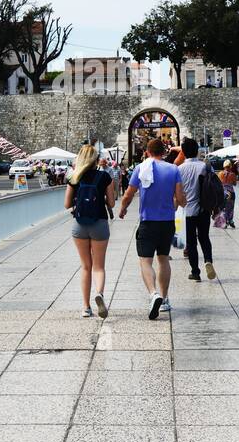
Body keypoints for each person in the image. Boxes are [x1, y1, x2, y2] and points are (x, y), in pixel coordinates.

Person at [118, 136, 186, 319]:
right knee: (163, 260)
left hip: (147, 222)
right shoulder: (173, 170)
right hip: (167, 223)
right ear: (164, 152)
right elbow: (181, 200)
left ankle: (153, 293)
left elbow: (128, 194)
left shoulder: (141, 168)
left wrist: (123, 209)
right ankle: (164, 299)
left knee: (145, 261)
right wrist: (174, 204)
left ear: (147, 152)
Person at [66, 144, 115, 318]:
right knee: (99, 266)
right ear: (96, 160)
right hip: (99, 223)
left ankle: (86, 307)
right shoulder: (105, 176)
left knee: (86, 266)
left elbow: (66, 204)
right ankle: (99, 294)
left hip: (79, 225)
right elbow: (111, 203)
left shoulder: (74, 176)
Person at [177, 137, 218, 282]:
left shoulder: (179, 169)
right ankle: (208, 260)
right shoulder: (205, 167)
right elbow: (213, 187)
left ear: (183, 152)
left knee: (191, 242)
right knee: (204, 237)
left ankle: (195, 271)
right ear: (197, 151)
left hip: (187, 211)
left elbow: (177, 192)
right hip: (203, 209)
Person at [218, 158, 238, 228]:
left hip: (223, 193)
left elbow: (218, 183)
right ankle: (230, 220)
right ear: (230, 166)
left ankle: (224, 222)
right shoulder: (233, 174)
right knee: (231, 208)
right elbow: (235, 184)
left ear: (224, 166)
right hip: (231, 193)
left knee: (223, 208)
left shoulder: (220, 174)